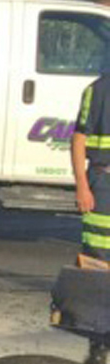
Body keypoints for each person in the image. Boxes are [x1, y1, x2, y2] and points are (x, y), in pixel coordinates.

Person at [71, 70, 110, 265]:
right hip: (103, 183)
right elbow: (79, 138)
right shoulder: (98, 90)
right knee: (98, 254)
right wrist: (82, 186)